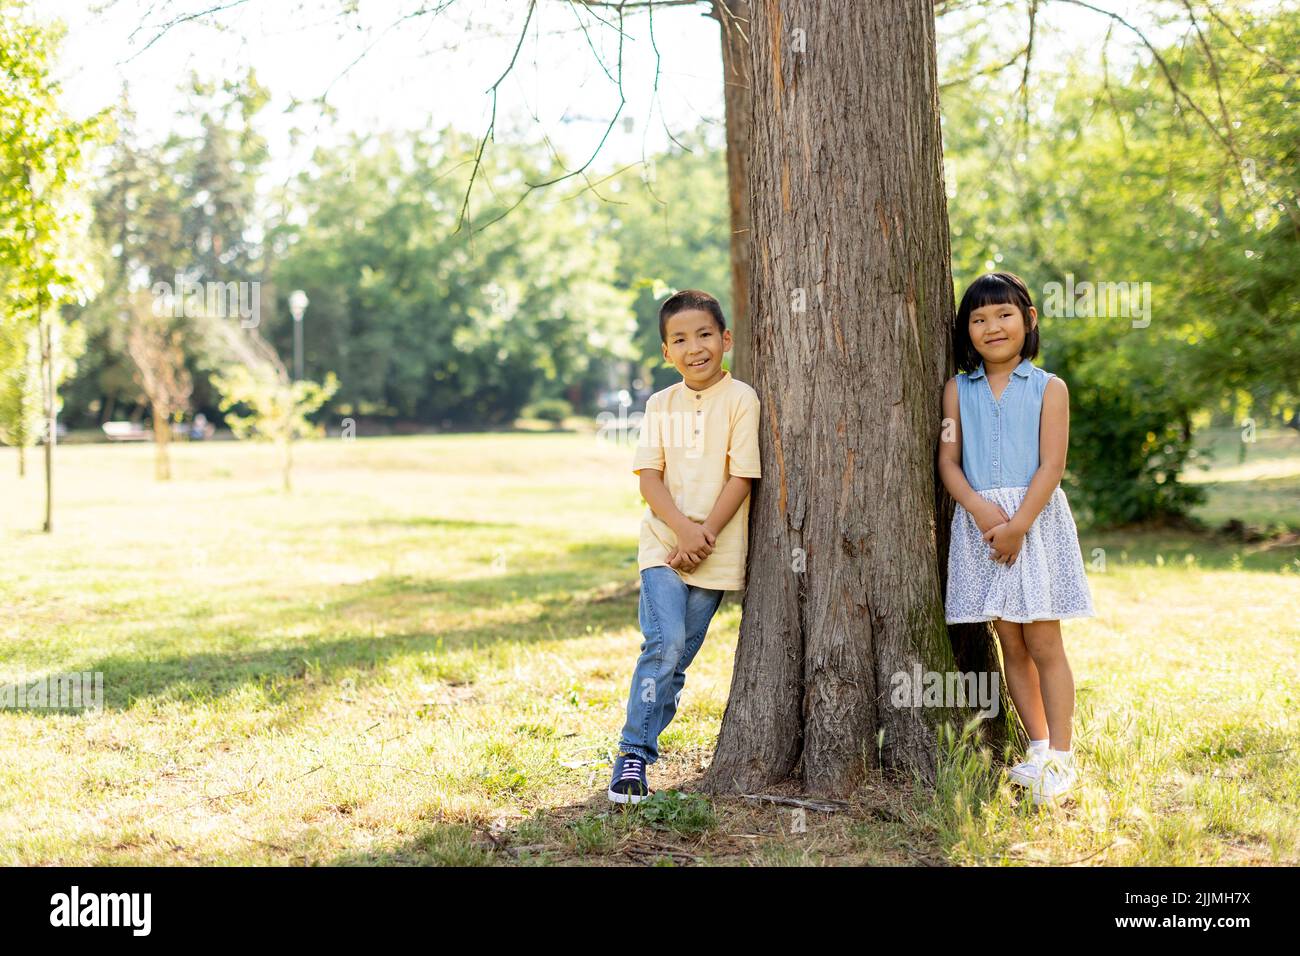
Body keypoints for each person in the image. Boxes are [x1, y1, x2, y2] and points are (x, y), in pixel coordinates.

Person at [937, 272, 1095, 806]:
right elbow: (948, 460)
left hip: (1035, 524)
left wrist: (1019, 524)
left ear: (1028, 320)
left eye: (1003, 314)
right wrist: (984, 513)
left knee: (1045, 641)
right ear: (966, 331)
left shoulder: (1050, 388)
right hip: (983, 530)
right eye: (978, 319)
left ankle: (1064, 758)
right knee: (1011, 642)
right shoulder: (957, 390)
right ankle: (1038, 746)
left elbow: (1053, 465)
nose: (991, 326)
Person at [607, 289, 761, 804]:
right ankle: (633, 754)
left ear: (726, 339)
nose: (694, 347)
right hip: (662, 550)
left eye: (704, 335)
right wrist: (682, 532)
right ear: (665, 352)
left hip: (716, 556)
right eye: (680, 339)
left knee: (676, 661)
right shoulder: (659, 404)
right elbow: (649, 478)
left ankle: (644, 738)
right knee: (664, 644)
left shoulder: (742, 399)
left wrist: (704, 535)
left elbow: (741, 477)